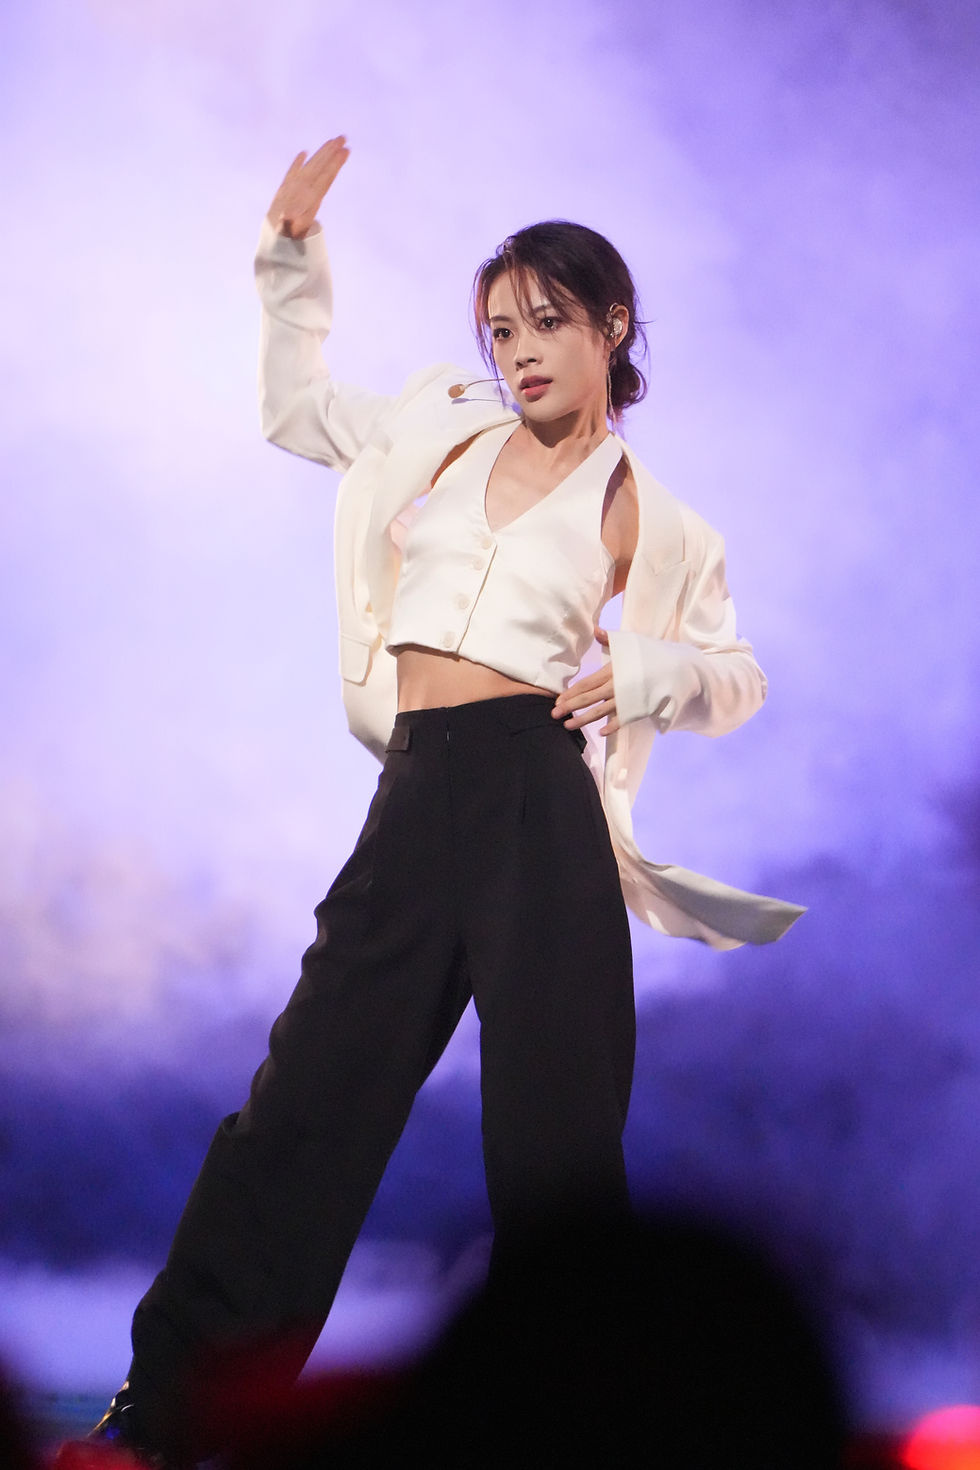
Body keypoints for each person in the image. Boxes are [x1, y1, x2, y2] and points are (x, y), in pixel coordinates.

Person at [76, 136, 804, 1468]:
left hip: (540, 807)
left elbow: (739, 674)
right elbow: (298, 410)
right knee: (301, 1110)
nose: (519, 351)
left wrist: (646, 672)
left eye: (547, 323)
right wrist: (290, 258)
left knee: (556, 1155)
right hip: (418, 794)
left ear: (613, 325)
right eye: (501, 330)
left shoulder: (653, 515)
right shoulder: (442, 428)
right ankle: (165, 1413)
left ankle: (577, 1432)